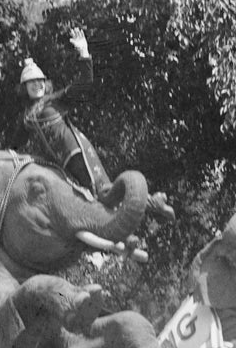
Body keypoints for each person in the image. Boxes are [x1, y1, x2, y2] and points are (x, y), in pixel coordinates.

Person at [14, 29, 173, 220]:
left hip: (76, 152)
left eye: (39, 80)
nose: (37, 84)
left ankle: (150, 203)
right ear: (24, 87)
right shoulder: (26, 119)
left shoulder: (54, 100)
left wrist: (84, 53)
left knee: (102, 192)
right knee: (80, 201)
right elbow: (13, 145)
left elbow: (84, 83)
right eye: (31, 82)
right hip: (58, 166)